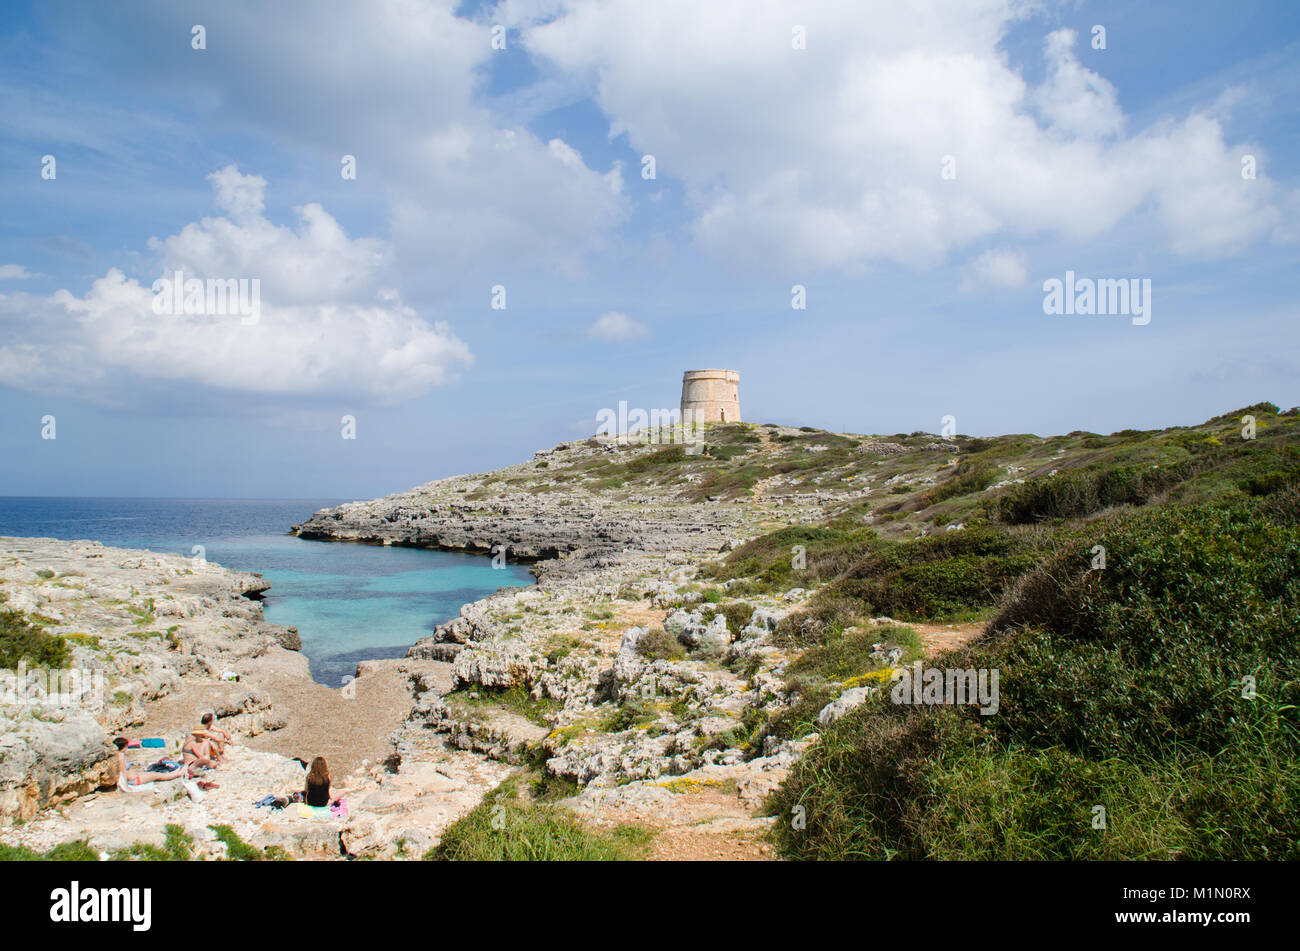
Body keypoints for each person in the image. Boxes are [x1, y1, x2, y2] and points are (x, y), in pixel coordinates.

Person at [112, 737, 186, 786]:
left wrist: (134, 763)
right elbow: (123, 772)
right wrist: (125, 786)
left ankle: (177, 772)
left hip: (135, 776)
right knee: (157, 775)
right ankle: (178, 773)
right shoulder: (120, 757)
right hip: (132, 780)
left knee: (154, 773)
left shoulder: (119, 754)